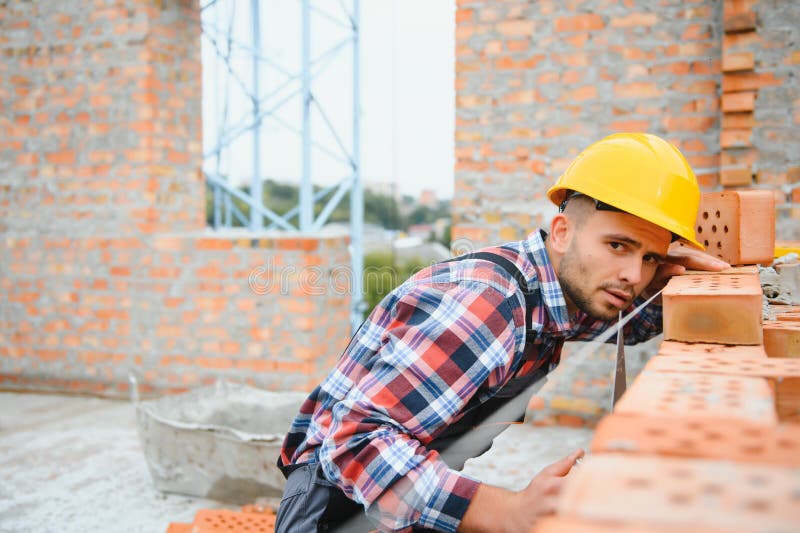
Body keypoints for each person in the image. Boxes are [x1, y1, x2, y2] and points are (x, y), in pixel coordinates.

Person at [275, 133, 729, 532]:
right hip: (336, 507)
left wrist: (690, 281)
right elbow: (357, 440)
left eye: (648, 257)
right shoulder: (490, 305)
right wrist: (506, 511)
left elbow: (633, 324)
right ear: (563, 232)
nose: (632, 274)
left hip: (401, 503)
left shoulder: (562, 294)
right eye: (618, 246)